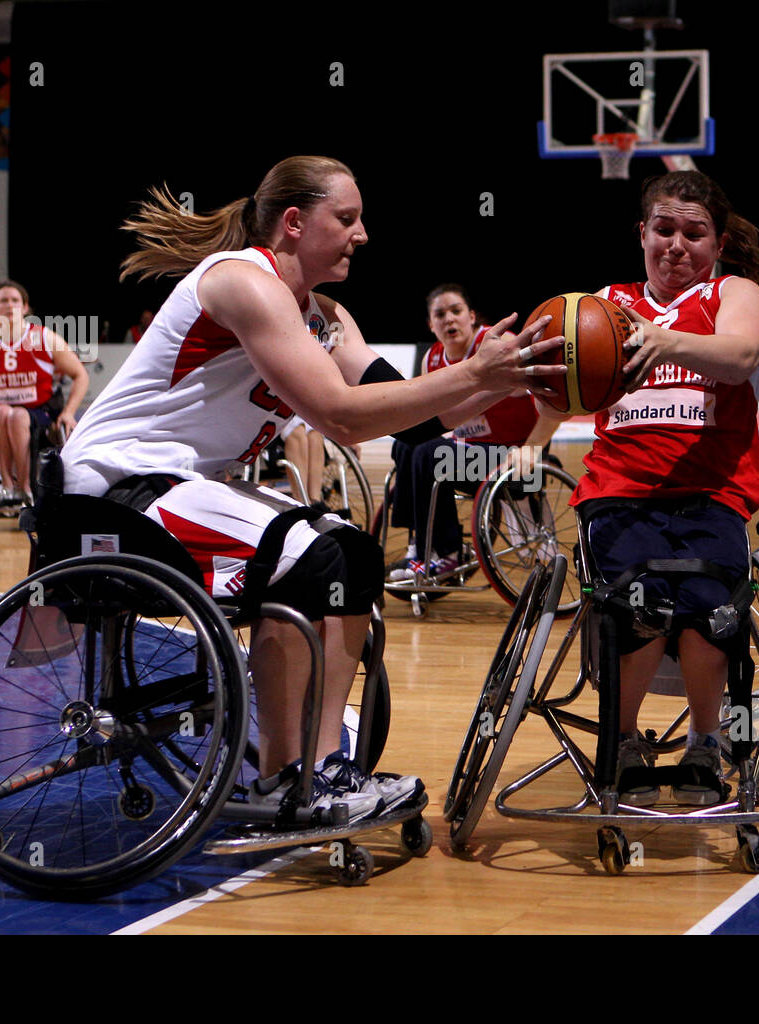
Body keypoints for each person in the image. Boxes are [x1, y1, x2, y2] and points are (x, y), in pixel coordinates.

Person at [57, 156, 563, 825]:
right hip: (112, 489)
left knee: (350, 551)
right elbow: (344, 417)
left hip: (175, 488)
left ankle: (326, 769)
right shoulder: (243, 282)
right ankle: (280, 776)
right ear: (295, 223)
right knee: (304, 554)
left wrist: (502, 378)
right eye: (347, 219)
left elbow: (418, 421)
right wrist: (474, 370)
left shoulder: (326, 316)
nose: (362, 234)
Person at [564, 170, 759, 807]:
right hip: (618, 490)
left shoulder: (734, 294)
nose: (677, 244)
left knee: (711, 610)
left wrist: (663, 341)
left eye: (694, 233)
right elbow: (558, 379)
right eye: (665, 229)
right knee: (640, 609)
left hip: (713, 489)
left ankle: (706, 743)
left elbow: (741, 355)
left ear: (715, 245)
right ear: (643, 233)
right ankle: (622, 740)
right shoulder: (602, 303)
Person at [387, 283, 556, 581]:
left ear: (472, 316)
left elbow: (549, 394)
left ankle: (448, 553)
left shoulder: (500, 345)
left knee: (427, 454)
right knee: (406, 444)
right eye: (440, 314)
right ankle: (419, 546)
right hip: (471, 459)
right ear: (431, 325)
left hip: (517, 461)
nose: (449, 319)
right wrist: (406, 474)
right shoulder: (433, 360)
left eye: (456, 311)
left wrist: (533, 448)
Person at [0, 280, 88, 503]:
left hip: (39, 413)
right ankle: (8, 487)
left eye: (15, 300)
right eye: (4, 301)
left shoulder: (44, 338)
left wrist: (69, 412)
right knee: (3, 412)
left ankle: (24, 485)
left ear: (25, 307)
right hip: (0, 413)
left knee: (17, 415)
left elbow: (80, 375)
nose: (10, 306)